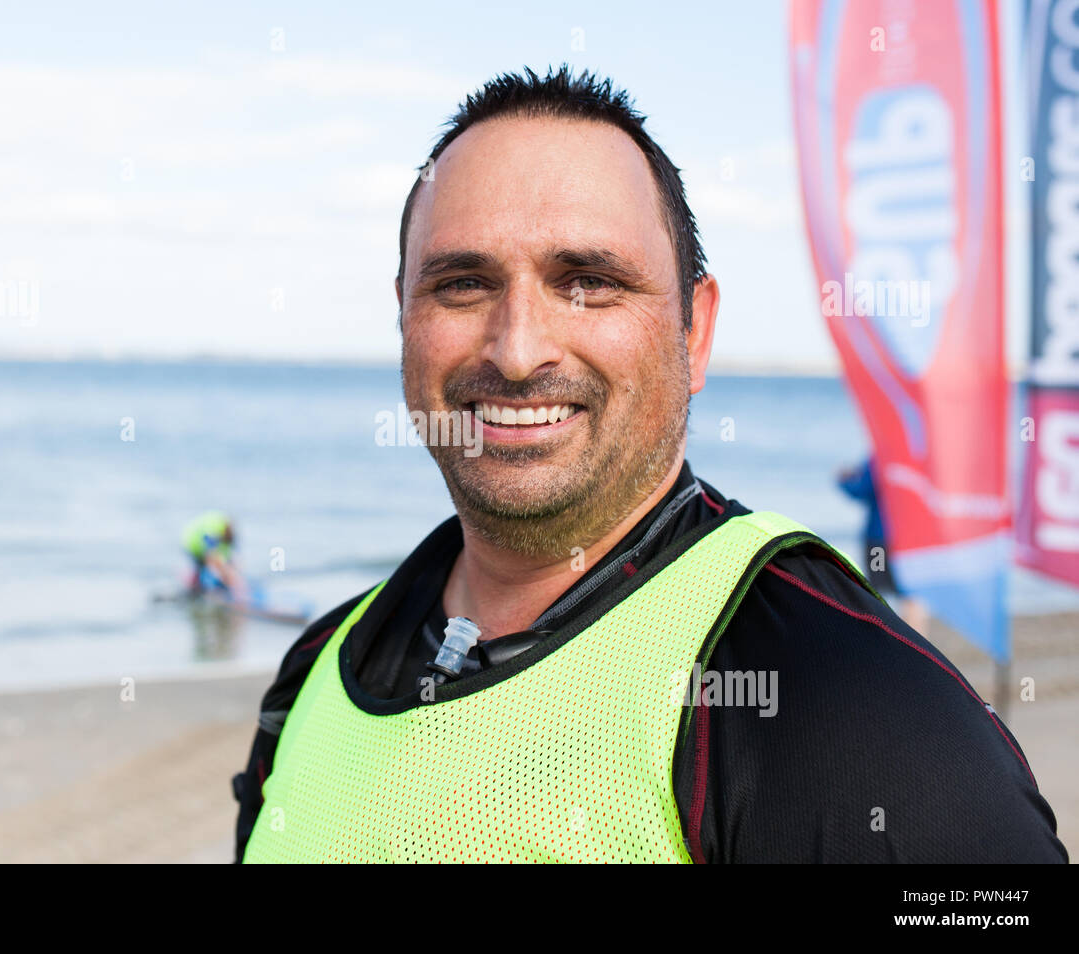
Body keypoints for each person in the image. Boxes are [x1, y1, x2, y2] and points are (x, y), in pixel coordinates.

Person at [232, 66, 1067, 863]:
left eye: (589, 281)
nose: (518, 351)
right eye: (462, 284)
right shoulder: (315, 671)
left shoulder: (833, 698)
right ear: (404, 320)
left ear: (693, 333)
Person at [837, 456, 929, 634]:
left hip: (878, 542)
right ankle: (918, 639)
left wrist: (844, 480)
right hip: (907, 541)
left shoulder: (880, 458)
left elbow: (860, 490)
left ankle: (881, 636)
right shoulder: (912, 459)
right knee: (909, 591)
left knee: (877, 589)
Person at [181, 511, 249, 601]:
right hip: (192, 544)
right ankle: (195, 587)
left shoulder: (229, 535)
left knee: (227, 566)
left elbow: (233, 557)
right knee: (201, 567)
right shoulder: (213, 531)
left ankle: (220, 586)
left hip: (206, 540)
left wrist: (236, 577)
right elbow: (213, 559)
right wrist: (232, 580)